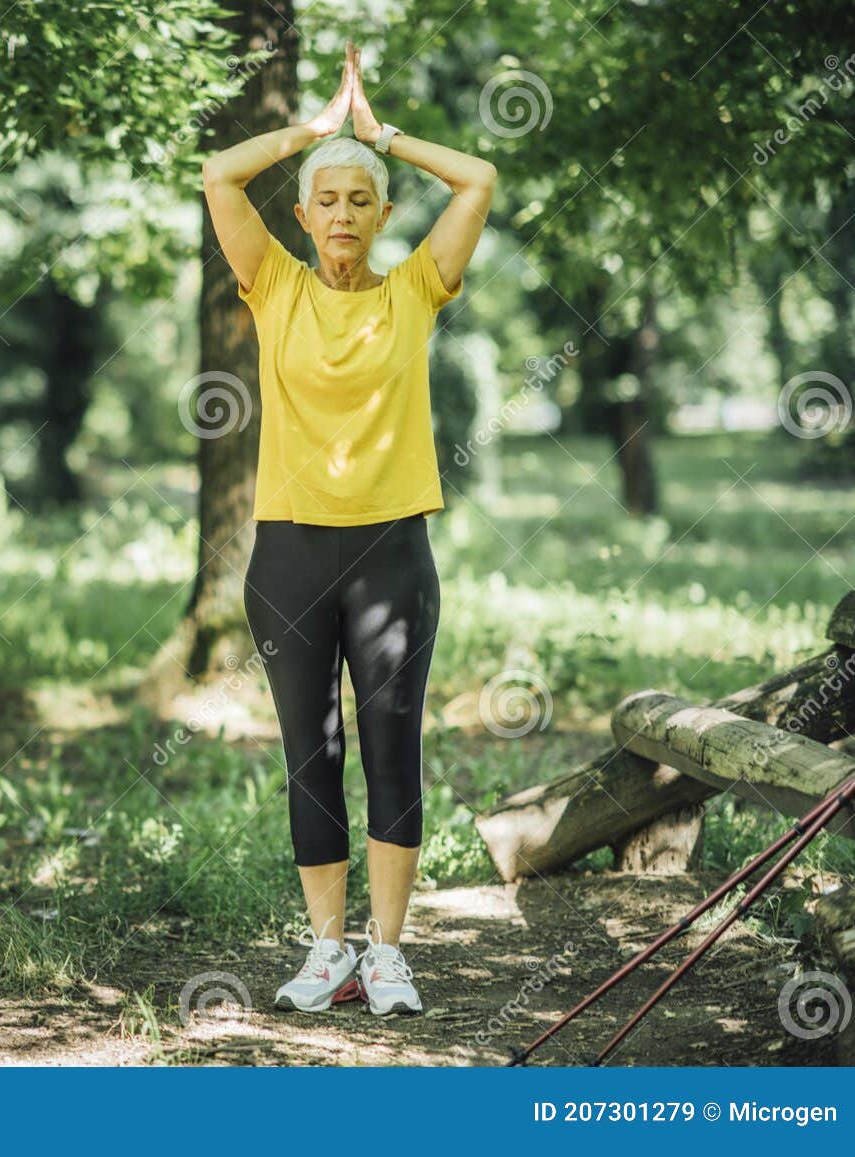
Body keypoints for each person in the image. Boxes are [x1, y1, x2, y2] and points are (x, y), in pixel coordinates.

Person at [200, 41, 494, 1016]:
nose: (339, 215)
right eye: (324, 198)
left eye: (357, 199)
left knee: (391, 740)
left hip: (391, 553)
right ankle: (327, 950)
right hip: (288, 552)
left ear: (380, 216)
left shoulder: (416, 288)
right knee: (310, 749)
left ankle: (389, 950)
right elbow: (216, 172)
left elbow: (481, 176)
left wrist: (382, 138)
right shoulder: (273, 285)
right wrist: (315, 130)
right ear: (301, 212)